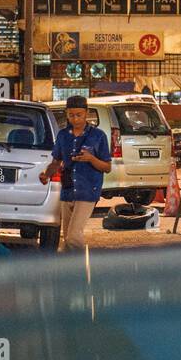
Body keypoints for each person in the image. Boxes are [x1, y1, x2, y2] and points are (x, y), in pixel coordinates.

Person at [38, 95, 112, 252]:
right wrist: (46, 174)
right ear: (66, 114)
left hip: (88, 191)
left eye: (79, 115)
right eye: (71, 115)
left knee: (73, 237)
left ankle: (80, 266)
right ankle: (70, 266)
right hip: (67, 190)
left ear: (86, 113)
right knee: (67, 238)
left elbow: (107, 167)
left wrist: (91, 158)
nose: (75, 119)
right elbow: (56, 161)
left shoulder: (98, 136)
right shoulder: (63, 135)